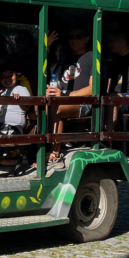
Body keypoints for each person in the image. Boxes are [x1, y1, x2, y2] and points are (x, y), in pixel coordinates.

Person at [45, 24, 94, 168]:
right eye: (71, 37)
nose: (74, 40)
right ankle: (32, 150)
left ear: (87, 39)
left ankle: (55, 154)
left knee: (54, 108)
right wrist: (46, 47)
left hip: (85, 103)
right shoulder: (65, 59)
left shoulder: (92, 57)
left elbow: (92, 89)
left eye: (78, 36)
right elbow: (49, 71)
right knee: (37, 108)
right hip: (62, 100)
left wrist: (66, 94)